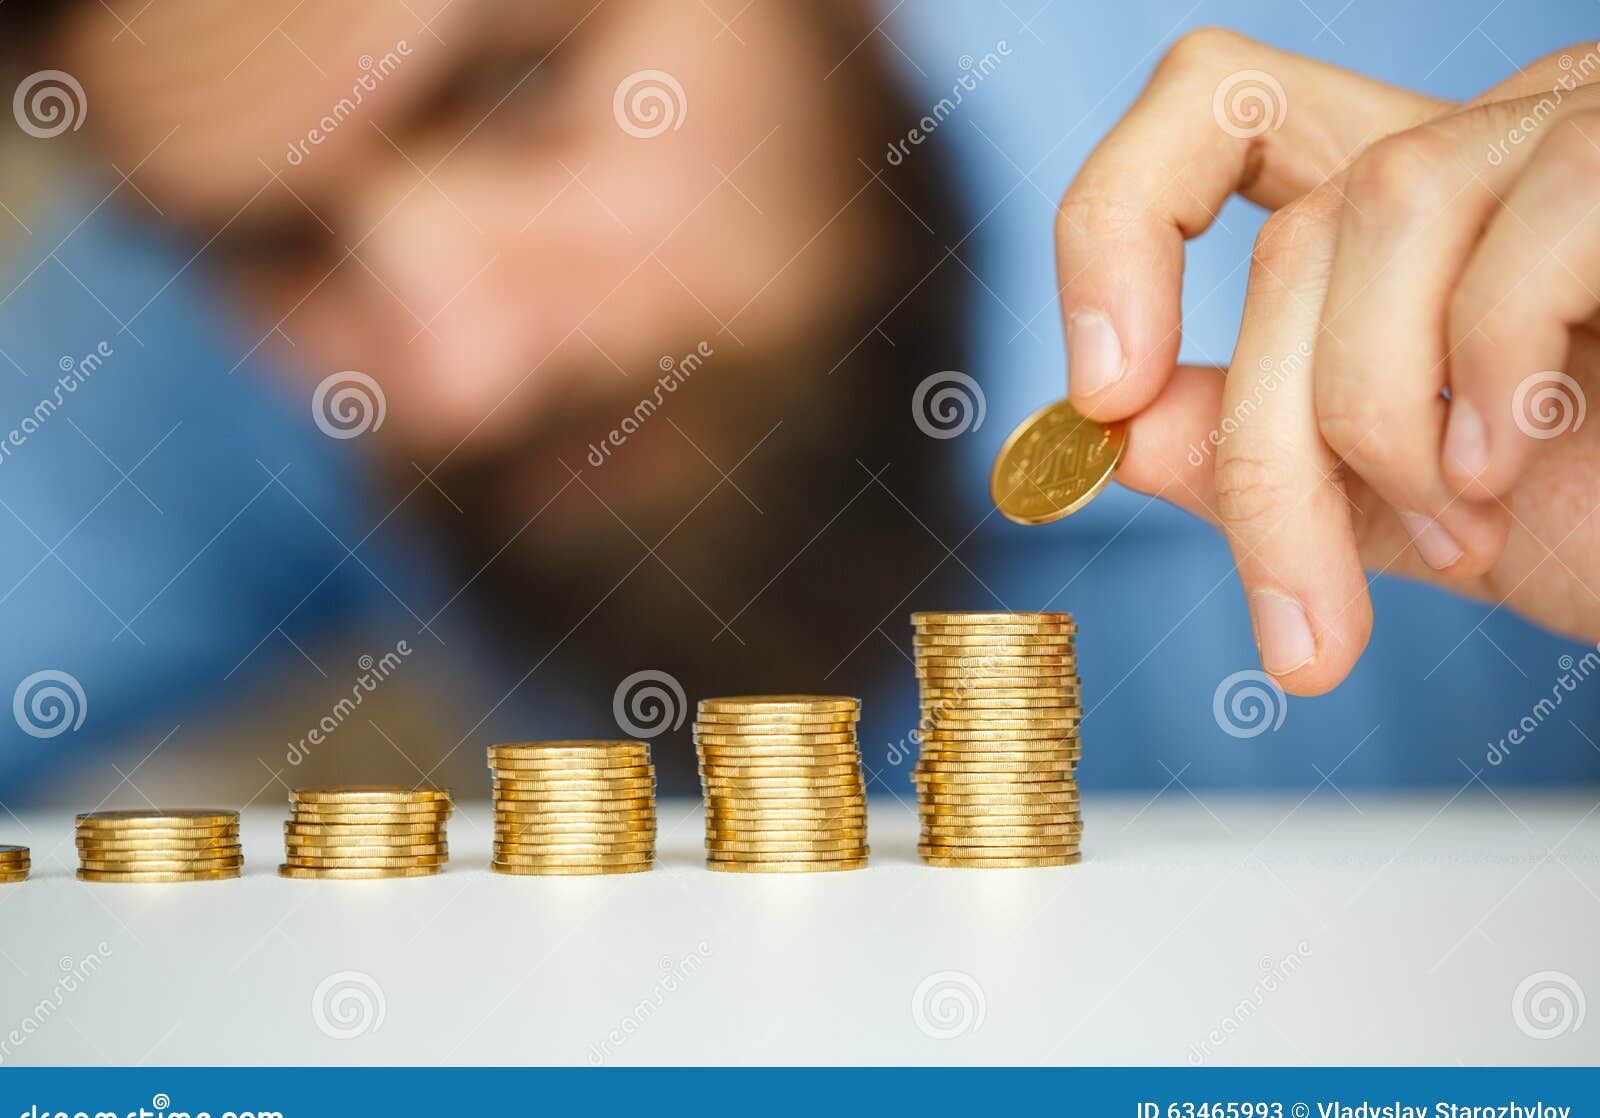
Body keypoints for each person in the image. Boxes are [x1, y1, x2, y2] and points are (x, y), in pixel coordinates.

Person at [0, 0, 1594, 804]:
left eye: (519, 92)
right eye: (271, 243)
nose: (459, 372)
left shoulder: (1489, 103)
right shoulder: (176, 300)